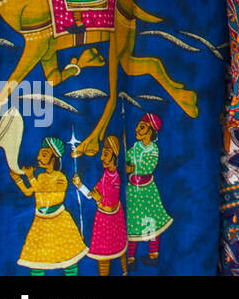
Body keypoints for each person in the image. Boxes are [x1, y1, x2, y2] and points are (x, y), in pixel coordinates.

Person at [11, 137, 88, 275]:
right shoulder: (40, 177)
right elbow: (29, 192)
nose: (39, 157)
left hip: (59, 221)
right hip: (40, 222)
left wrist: (30, 177)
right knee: (36, 261)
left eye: (44, 154)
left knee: (68, 259)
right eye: (40, 154)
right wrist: (18, 179)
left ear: (54, 158)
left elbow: (53, 198)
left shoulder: (60, 178)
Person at [73, 134, 128, 275]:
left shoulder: (115, 179)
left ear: (114, 156)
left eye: (106, 154)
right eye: (102, 153)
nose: (102, 158)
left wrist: (98, 201)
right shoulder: (105, 175)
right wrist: (80, 186)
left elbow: (111, 207)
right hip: (103, 224)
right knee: (103, 258)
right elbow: (92, 194)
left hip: (111, 223)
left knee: (115, 253)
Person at [126, 113, 172, 267]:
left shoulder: (153, 150)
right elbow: (128, 158)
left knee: (151, 223)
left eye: (142, 127)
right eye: (138, 126)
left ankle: (153, 255)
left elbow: (147, 167)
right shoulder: (136, 147)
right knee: (132, 223)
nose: (137, 129)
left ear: (151, 130)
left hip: (147, 191)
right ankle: (131, 258)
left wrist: (131, 167)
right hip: (133, 190)